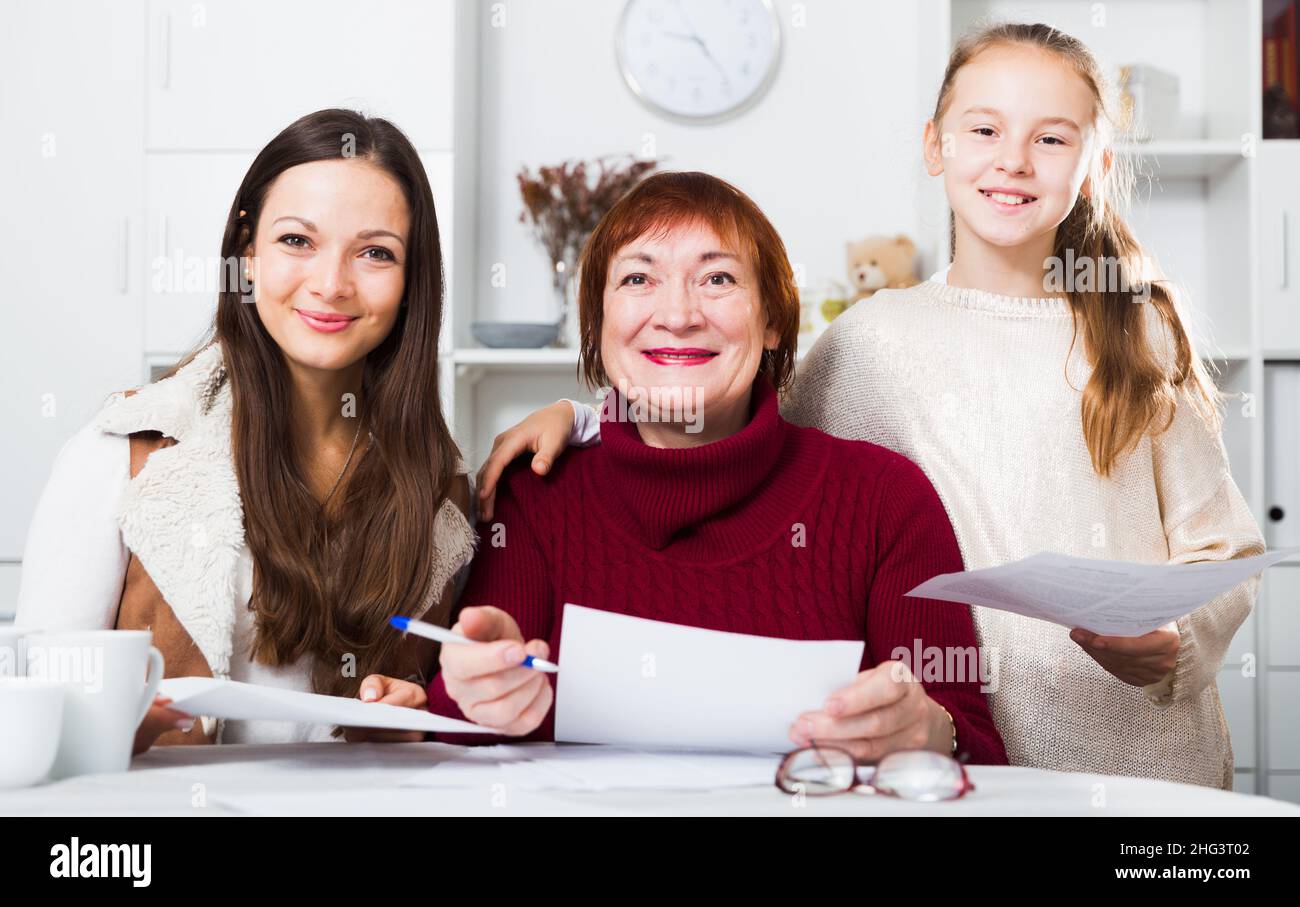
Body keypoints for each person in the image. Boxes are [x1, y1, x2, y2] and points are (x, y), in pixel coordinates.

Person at [16, 108, 473, 749]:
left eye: (375, 253)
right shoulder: (123, 451)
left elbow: (445, 711)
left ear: (411, 281)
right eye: (297, 241)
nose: (331, 284)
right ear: (247, 253)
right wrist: (111, 730)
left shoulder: (443, 491)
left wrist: (416, 726)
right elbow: (30, 718)